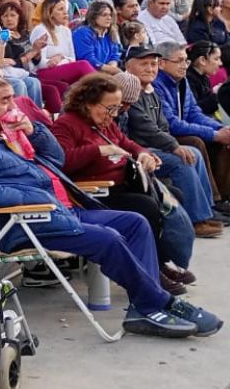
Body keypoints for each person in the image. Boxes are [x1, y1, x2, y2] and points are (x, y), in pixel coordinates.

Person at [0, 75, 222, 337]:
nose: (13, 107)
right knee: (109, 238)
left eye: (13, 99)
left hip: (58, 209)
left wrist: (34, 131)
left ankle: (145, 307)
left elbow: (56, 159)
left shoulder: (7, 132)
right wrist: (34, 195)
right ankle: (157, 304)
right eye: (5, 101)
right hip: (25, 221)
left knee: (135, 222)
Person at [51, 73, 202, 293]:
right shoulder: (66, 125)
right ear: (88, 103)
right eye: (109, 108)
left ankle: (160, 261)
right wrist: (98, 150)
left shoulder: (106, 123)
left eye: (117, 108)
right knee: (146, 206)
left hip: (121, 184)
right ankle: (151, 270)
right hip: (95, 192)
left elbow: (127, 143)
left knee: (173, 195)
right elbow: (61, 161)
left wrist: (144, 154)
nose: (114, 114)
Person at [120, 54, 227, 230]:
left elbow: (163, 124)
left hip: (155, 144)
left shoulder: (152, 91)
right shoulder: (129, 91)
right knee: (181, 160)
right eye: (144, 64)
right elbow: (146, 128)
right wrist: (173, 146)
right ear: (129, 67)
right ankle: (197, 220)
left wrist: (217, 129)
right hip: (140, 148)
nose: (150, 69)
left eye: (153, 64)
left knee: (194, 152)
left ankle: (208, 211)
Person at [153, 40, 230, 199]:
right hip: (163, 136)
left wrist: (220, 129)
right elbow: (171, 124)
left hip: (178, 131)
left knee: (223, 140)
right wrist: (214, 134)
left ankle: (224, 196)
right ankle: (213, 199)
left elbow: (194, 113)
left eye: (186, 61)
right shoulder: (156, 85)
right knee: (196, 141)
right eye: (179, 61)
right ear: (162, 63)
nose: (184, 66)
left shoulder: (182, 81)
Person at [72, 1, 123, 74]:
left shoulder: (110, 33)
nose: (109, 18)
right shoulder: (82, 32)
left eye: (110, 15)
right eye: (104, 15)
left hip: (105, 72)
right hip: (86, 73)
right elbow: (88, 59)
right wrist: (111, 70)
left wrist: (112, 69)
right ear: (94, 16)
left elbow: (114, 56)